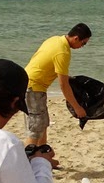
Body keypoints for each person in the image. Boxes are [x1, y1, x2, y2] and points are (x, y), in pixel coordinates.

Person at [23, 23, 91, 153]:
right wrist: (77, 107)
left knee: (42, 125)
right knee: (35, 129)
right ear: (76, 38)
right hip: (33, 87)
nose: (82, 47)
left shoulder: (54, 40)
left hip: (30, 84)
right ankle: (26, 159)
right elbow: (63, 85)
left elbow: (52, 68)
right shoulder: (63, 52)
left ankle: (42, 156)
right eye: (83, 43)